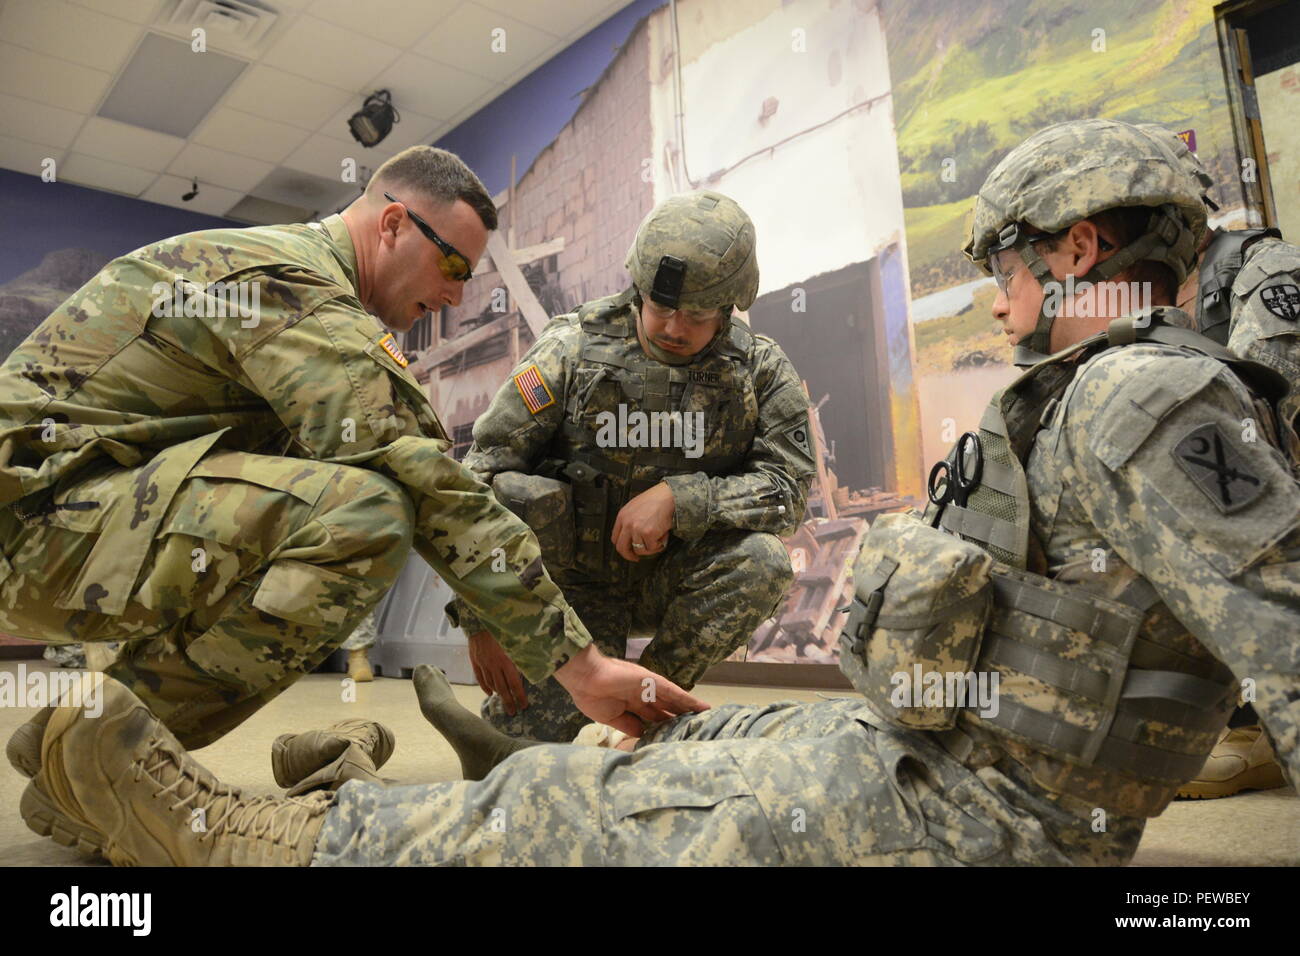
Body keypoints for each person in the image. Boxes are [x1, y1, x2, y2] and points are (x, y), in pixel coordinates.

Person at [21, 119, 1300, 867]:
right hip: (918, 743)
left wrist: (681, 509)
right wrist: (553, 647)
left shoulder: (1136, 399)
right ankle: (143, 753)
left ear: (1078, 250)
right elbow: (449, 477)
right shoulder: (541, 345)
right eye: (655, 308)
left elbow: (1276, 616)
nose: (995, 288)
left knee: (581, 811)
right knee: (676, 735)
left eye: (1005, 262)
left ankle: (255, 826)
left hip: (979, 799)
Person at [1, 146, 707, 829]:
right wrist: (579, 665)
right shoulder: (287, 284)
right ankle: (104, 760)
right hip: (34, 522)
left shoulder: (279, 281)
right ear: (394, 223)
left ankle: (76, 739)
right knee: (363, 517)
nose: (458, 292)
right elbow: (417, 466)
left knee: (332, 495)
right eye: (453, 263)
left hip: (68, 512)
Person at [449, 191, 816, 741]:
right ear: (638, 288)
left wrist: (680, 498)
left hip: (669, 577)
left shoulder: (758, 369)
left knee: (762, 560)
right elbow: (481, 476)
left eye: (696, 314)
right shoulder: (571, 350)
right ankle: (561, 712)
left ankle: (649, 706)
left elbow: (788, 490)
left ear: (731, 305)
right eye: (660, 306)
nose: (673, 326)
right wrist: (482, 616)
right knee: (530, 755)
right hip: (568, 589)